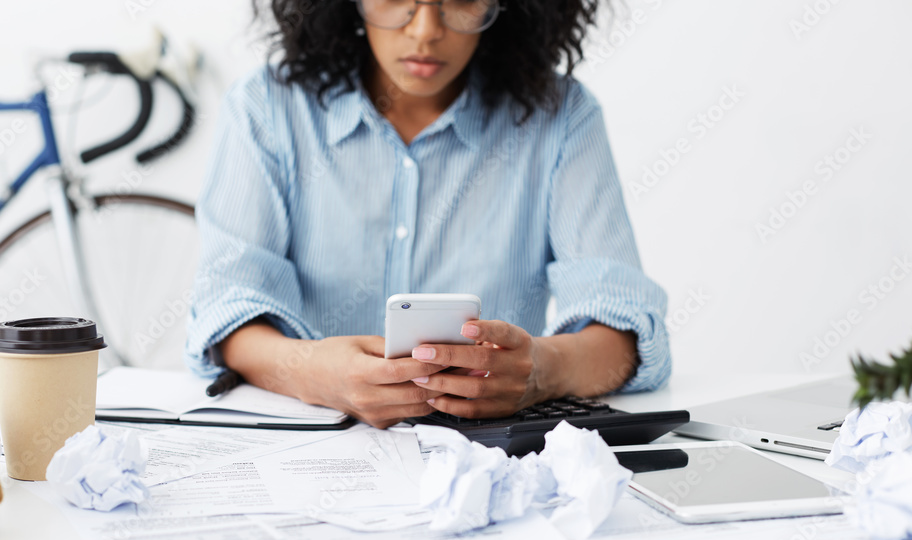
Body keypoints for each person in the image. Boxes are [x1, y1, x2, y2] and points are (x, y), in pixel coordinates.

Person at [186, 0, 671, 428]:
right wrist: (310, 371)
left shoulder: (562, 117)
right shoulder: (267, 108)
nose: (424, 30)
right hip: (311, 463)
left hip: (489, 470)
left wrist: (542, 370)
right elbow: (227, 310)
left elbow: (626, 333)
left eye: (460, 0)